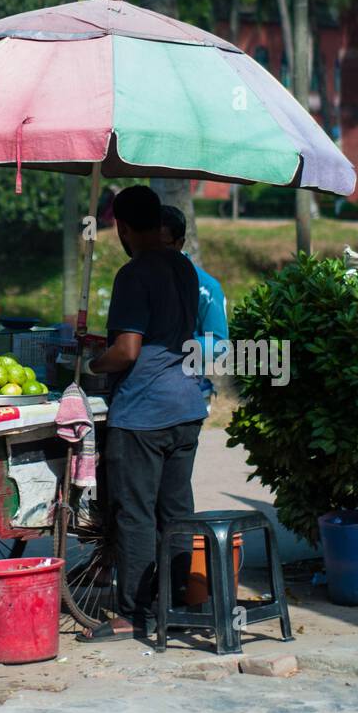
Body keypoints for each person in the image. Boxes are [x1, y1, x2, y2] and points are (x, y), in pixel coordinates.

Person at [80, 185, 207, 641]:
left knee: (133, 513)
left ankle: (132, 613)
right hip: (187, 406)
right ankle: (174, 602)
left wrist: (93, 363)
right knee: (175, 511)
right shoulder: (186, 269)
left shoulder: (133, 274)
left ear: (124, 227)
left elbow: (128, 350)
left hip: (143, 414)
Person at [159, 204, 228, 412]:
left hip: (186, 395)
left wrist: (172, 343)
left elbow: (219, 346)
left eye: (162, 246)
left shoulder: (206, 288)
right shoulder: (136, 279)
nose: (154, 254)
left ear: (179, 243)